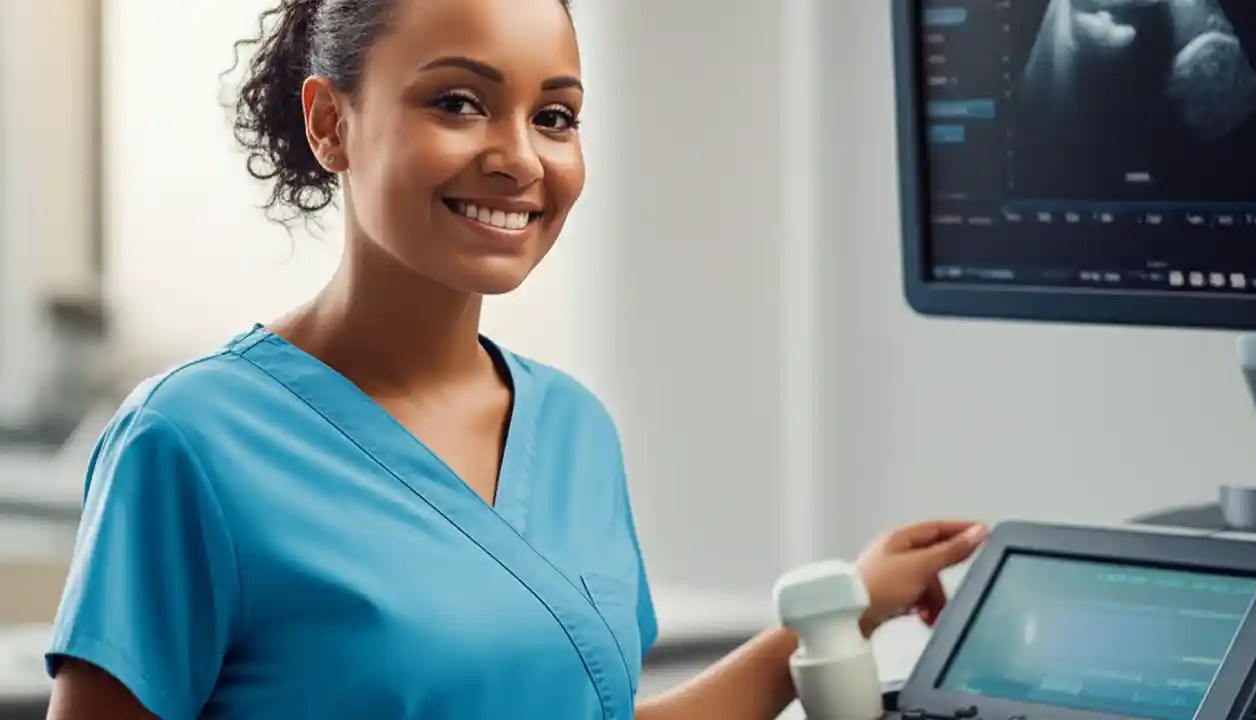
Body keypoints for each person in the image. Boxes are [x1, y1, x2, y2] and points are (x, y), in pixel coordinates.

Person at [43, 0, 988, 717]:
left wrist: (835, 615)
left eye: (556, 116)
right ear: (331, 122)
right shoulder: (189, 442)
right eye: (458, 102)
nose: (520, 159)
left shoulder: (571, 426)